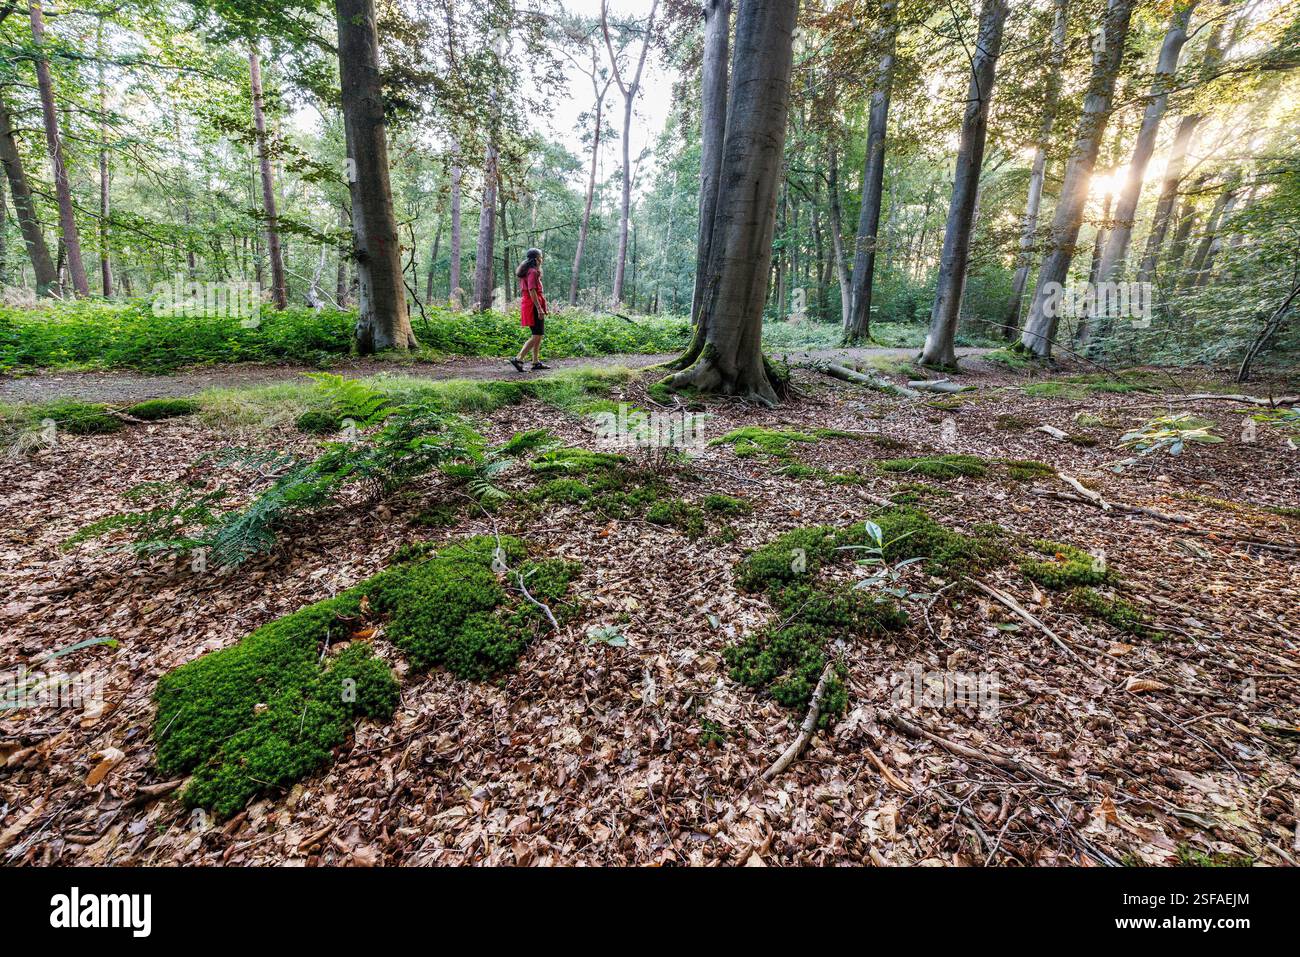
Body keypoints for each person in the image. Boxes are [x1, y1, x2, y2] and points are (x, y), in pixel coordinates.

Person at [509, 248, 549, 372]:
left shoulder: (529, 271)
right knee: (536, 335)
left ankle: (535, 362)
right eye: (541, 257)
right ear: (536, 258)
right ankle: (519, 358)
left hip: (531, 304)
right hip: (532, 306)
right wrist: (539, 308)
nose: (541, 259)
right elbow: (532, 290)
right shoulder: (532, 272)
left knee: (538, 335)